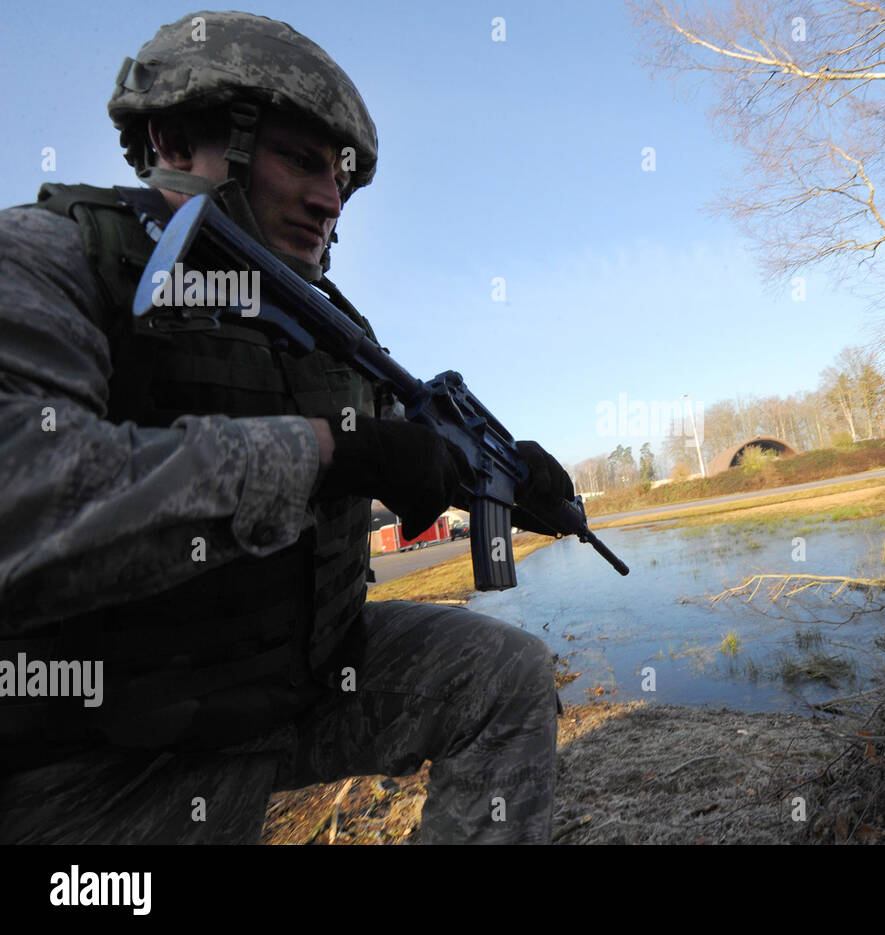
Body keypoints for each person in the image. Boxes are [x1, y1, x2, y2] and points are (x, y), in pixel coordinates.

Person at [0, 10, 572, 844]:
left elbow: (402, 468)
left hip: (291, 688)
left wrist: (512, 484)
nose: (330, 199)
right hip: (102, 758)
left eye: (341, 177)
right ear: (175, 137)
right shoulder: (50, 257)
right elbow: (24, 495)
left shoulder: (329, 332)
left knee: (504, 676)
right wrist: (325, 454)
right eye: (300, 160)